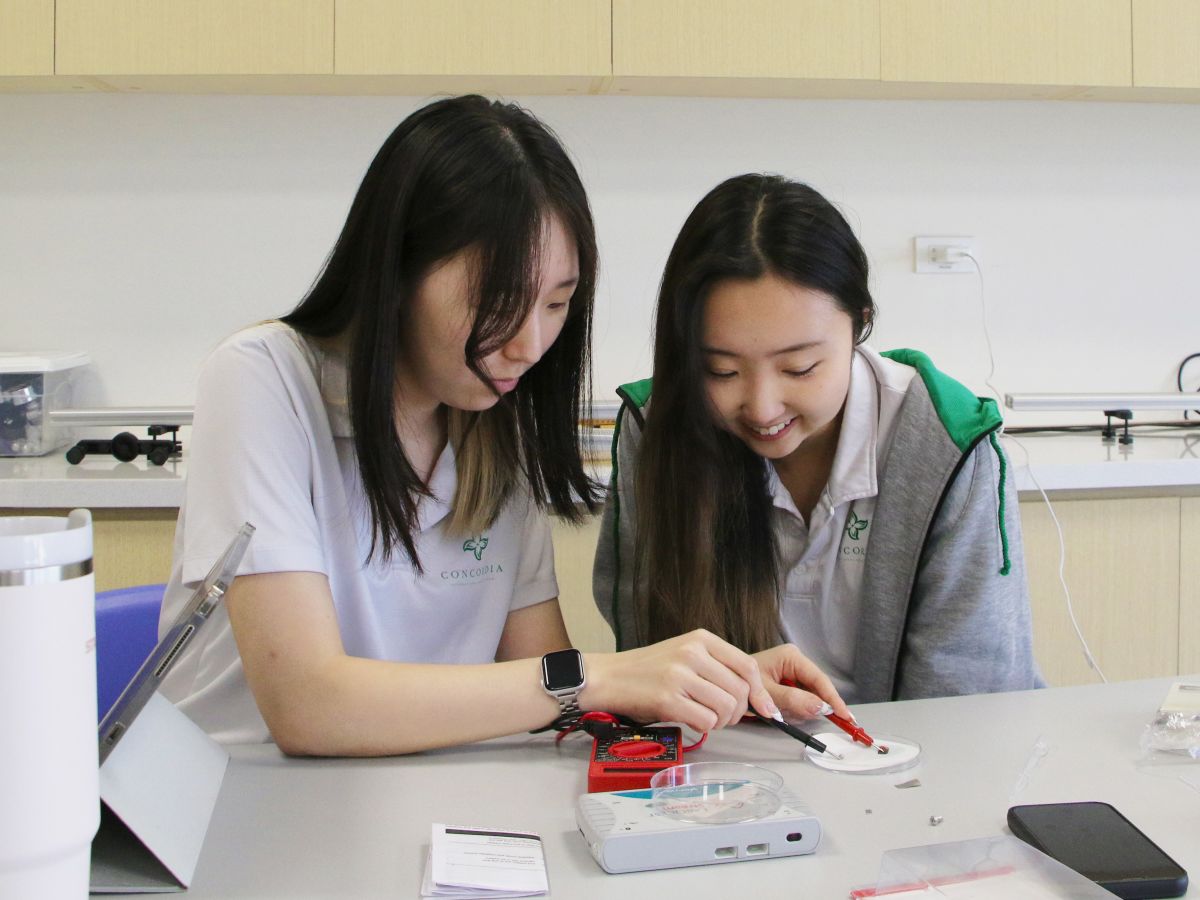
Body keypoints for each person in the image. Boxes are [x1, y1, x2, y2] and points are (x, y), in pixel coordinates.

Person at [159, 98, 848, 756]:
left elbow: (554, 700)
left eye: (557, 303)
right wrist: (604, 676)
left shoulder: (493, 423)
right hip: (239, 806)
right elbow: (310, 706)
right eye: (499, 301)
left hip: (419, 806)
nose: (529, 344)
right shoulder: (262, 379)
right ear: (397, 270)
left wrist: (713, 683)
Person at [594, 173, 1043, 704]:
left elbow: (964, 706)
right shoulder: (655, 428)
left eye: (800, 368)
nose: (762, 408)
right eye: (720, 371)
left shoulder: (946, 445)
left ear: (860, 324)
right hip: (736, 767)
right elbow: (652, 677)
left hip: (915, 761)